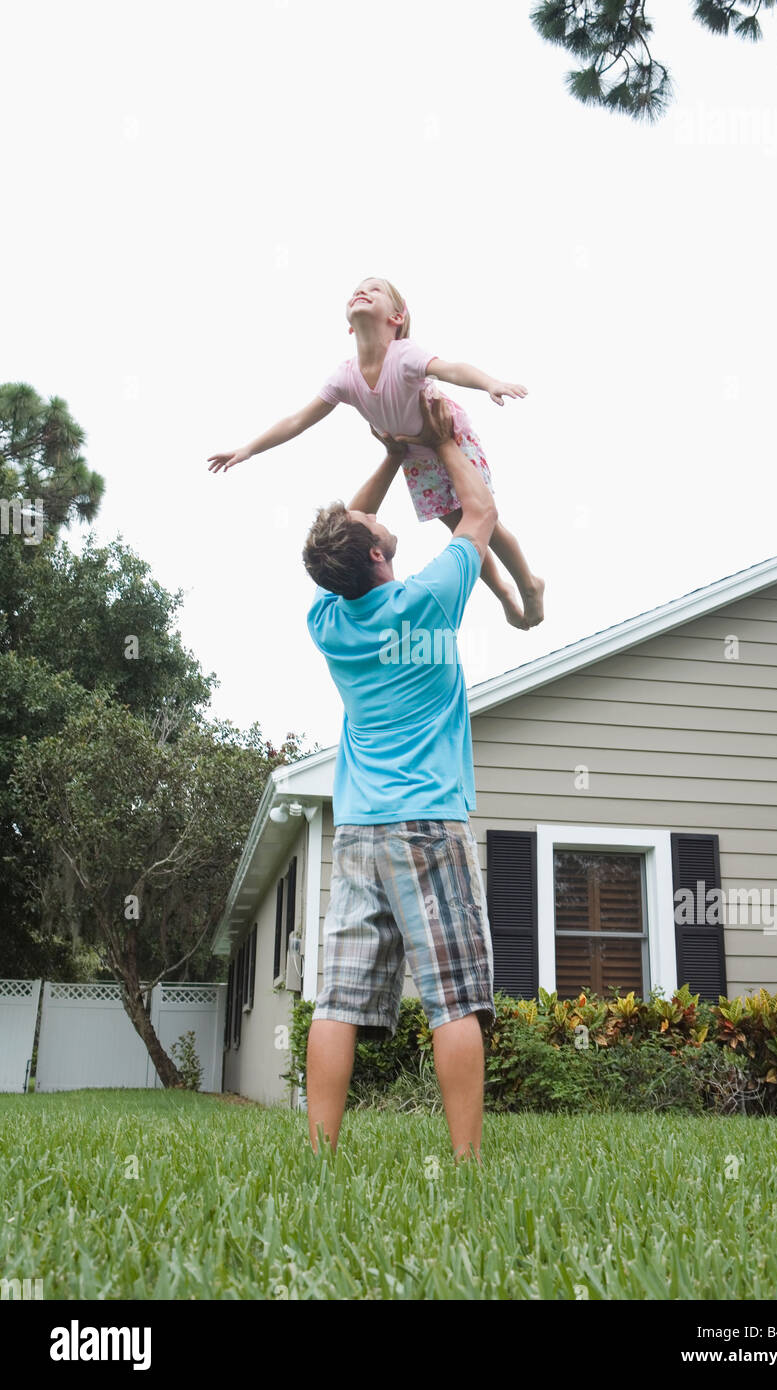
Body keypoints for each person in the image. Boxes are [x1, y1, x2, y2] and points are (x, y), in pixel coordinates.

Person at [301, 390, 498, 1164]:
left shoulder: (330, 622)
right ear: (380, 557)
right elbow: (477, 514)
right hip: (426, 826)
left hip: (357, 832)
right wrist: (445, 441)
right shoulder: (425, 602)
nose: (377, 519)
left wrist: (388, 454)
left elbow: (339, 549)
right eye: (374, 530)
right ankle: (466, 1161)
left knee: (339, 999)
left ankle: (321, 1155)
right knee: (452, 997)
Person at [208, 274, 544, 629]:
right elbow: (297, 420)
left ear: (397, 317)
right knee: (460, 527)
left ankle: (527, 582)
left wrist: (491, 383)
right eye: (356, 291)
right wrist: (248, 449)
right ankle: (503, 593)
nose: (361, 292)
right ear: (349, 327)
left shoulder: (404, 355)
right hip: (414, 458)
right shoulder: (344, 377)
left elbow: (451, 369)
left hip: (448, 436)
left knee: (484, 518)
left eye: (374, 290)